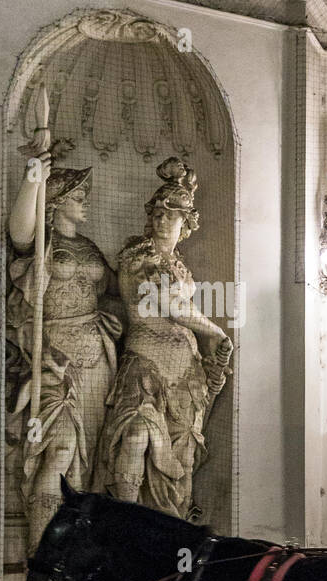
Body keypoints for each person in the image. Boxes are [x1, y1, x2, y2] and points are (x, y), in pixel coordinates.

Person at [91, 157, 233, 518]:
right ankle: (124, 524)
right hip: (146, 366)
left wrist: (207, 351)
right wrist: (213, 330)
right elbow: (166, 303)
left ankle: (171, 533)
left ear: (186, 223)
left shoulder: (179, 264)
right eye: (156, 212)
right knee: (136, 435)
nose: (160, 219)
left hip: (186, 375)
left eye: (170, 214)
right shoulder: (137, 257)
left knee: (181, 455)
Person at [6, 157, 123, 549]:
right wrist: (34, 174)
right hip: (54, 358)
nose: (85, 202)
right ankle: (41, 549)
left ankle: (72, 551)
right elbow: (19, 231)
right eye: (77, 196)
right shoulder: (42, 243)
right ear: (56, 203)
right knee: (58, 448)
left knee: (87, 461)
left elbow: (117, 295)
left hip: (97, 360)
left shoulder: (89, 248)